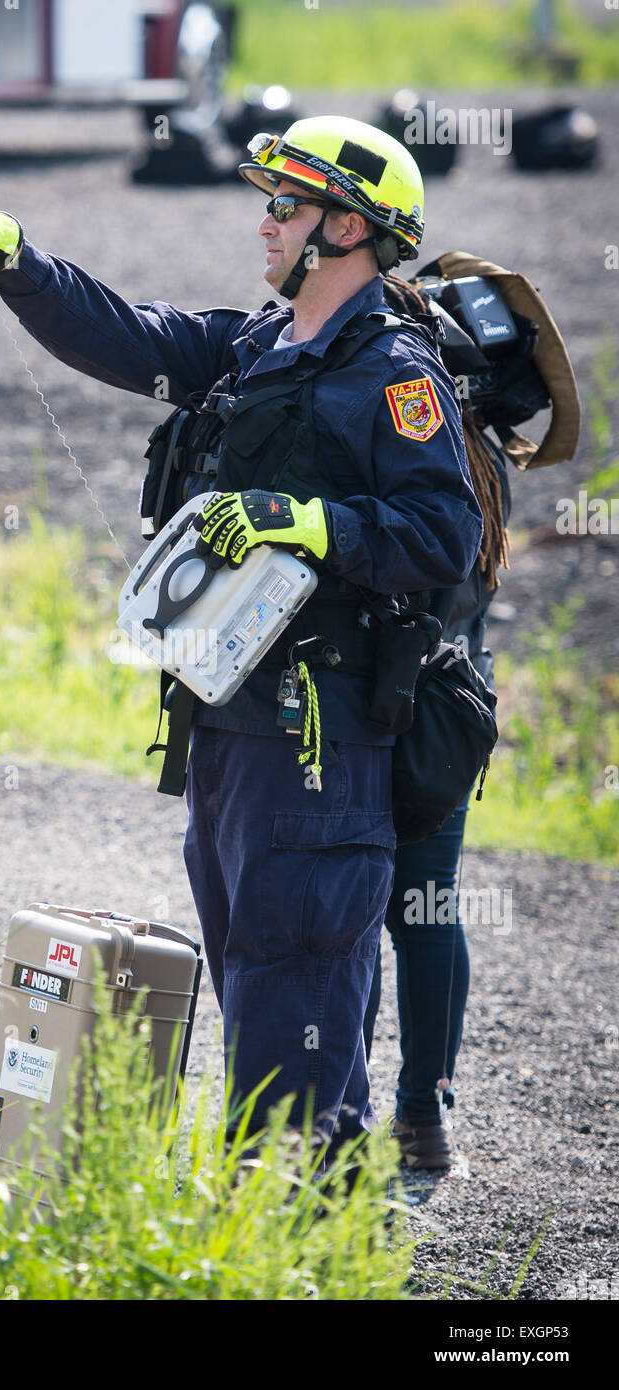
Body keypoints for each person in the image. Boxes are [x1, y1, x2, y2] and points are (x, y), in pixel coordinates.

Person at [0, 115, 483, 1163]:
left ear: (347, 228)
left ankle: (290, 1226)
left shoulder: (394, 374)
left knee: (291, 977)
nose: (263, 222)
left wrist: (309, 524)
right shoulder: (260, 345)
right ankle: (302, 1214)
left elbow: (447, 534)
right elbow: (131, 335)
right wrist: (14, 260)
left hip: (320, 741)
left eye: (285, 204)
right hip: (228, 727)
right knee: (256, 967)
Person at [362, 272, 513, 1171]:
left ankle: (370, 1104)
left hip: (394, 702)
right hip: (454, 715)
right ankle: (424, 1115)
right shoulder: (483, 454)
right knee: (427, 908)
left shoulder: (420, 440)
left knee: (362, 907)